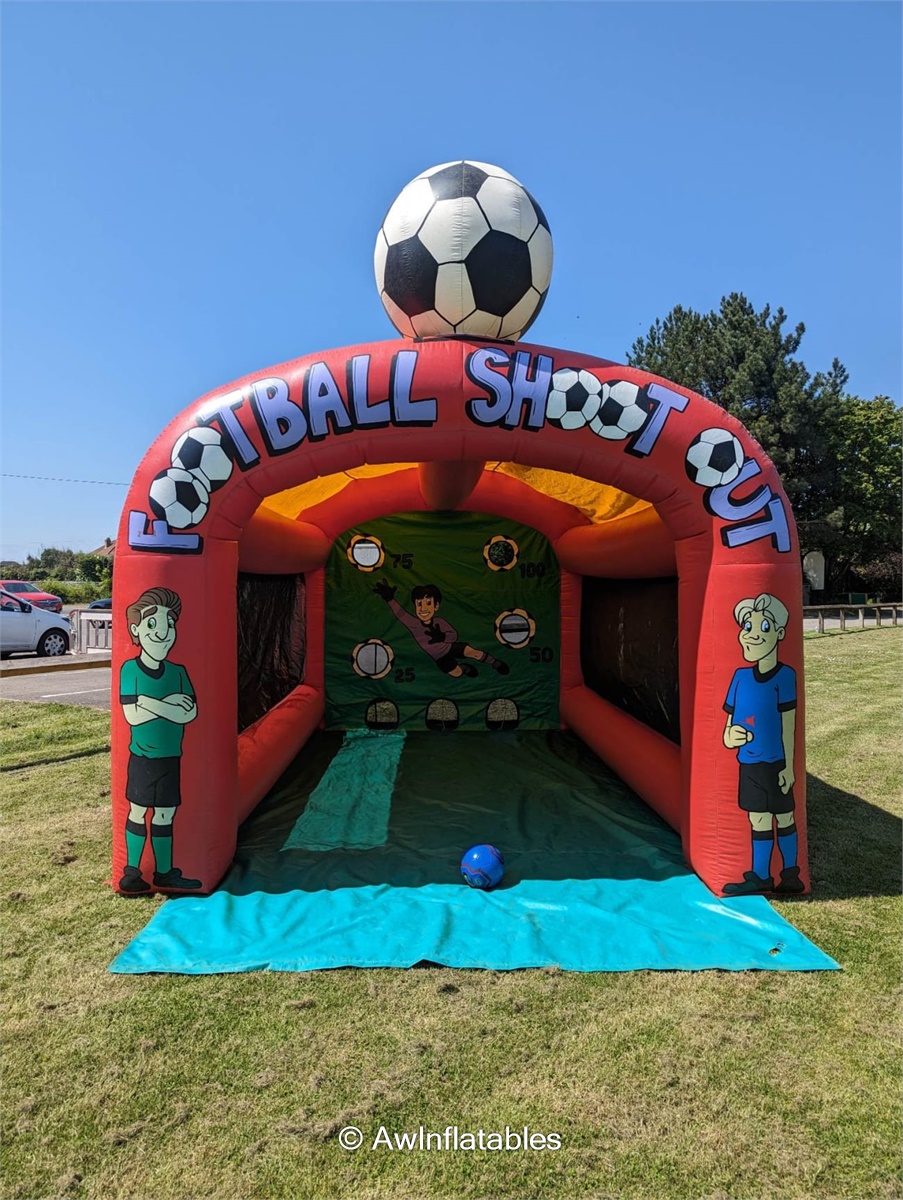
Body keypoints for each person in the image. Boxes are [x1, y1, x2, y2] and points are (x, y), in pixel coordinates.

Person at [118, 587, 201, 893]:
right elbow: (132, 716)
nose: (163, 633)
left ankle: (164, 871)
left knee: (166, 813)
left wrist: (148, 702)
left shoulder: (177, 672)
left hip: (170, 756)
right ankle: (132, 872)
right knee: (138, 809)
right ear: (136, 630)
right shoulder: (130, 669)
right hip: (142, 757)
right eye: (152, 624)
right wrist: (167, 705)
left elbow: (188, 713)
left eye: (169, 624)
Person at [721, 592, 804, 895]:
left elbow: (788, 725)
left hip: (775, 763)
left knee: (784, 815)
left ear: (779, 633)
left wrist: (789, 767)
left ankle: (790, 874)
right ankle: (760, 876)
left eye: (763, 627)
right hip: (749, 763)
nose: (753, 634)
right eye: (748, 627)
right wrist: (729, 737)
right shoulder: (740, 678)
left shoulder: (784, 676)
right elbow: (728, 725)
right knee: (757, 818)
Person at [374, 580, 509, 678]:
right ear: (415, 606)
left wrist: (443, 637)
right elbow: (401, 614)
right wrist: (390, 599)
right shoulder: (413, 623)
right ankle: (464, 669)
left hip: (449, 647)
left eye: (428, 603)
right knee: (456, 673)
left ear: (436, 606)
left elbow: (454, 635)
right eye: (419, 604)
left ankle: (495, 663)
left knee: (473, 652)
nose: (423, 609)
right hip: (439, 657)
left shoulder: (439, 621)